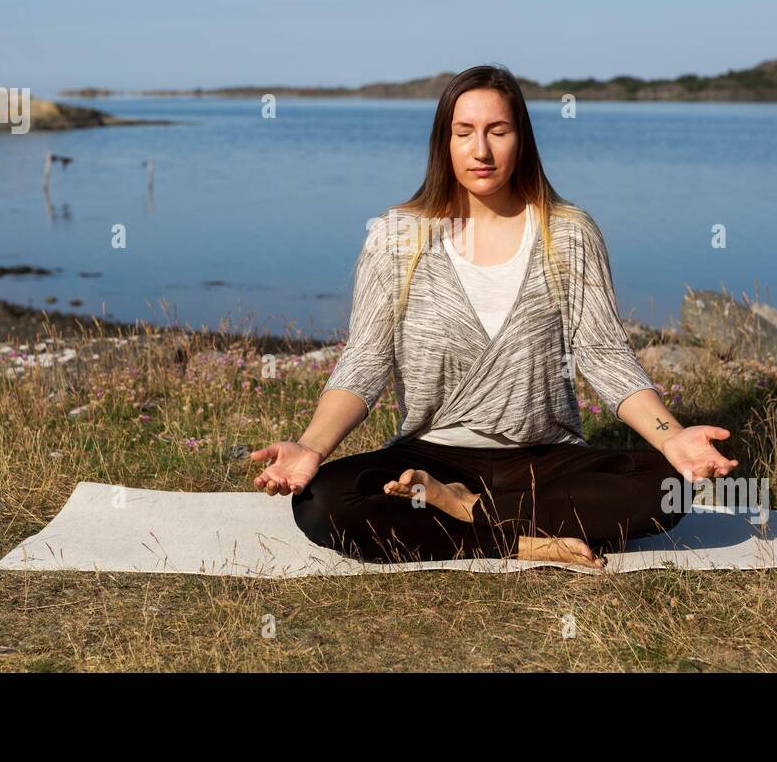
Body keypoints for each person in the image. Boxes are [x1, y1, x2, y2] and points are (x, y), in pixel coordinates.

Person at [252, 64, 737, 569]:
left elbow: (604, 354)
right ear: (445, 142)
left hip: (543, 458)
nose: (481, 151)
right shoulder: (398, 237)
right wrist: (311, 447)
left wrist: (671, 435)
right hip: (430, 454)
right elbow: (366, 361)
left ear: (521, 139)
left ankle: (463, 511)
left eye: (497, 132)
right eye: (464, 134)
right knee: (322, 502)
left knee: (668, 491)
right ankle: (519, 540)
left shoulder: (568, 234)